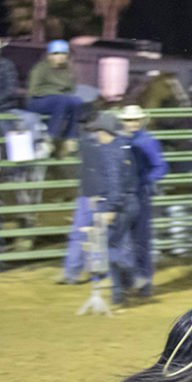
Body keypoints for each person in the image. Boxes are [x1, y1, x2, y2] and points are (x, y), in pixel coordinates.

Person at [61, 113, 139, 304]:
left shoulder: (108, 150)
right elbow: (126, 178)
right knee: (121, 244)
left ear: (104, 131)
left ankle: (119, 292)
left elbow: (114, 181)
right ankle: (128, 283)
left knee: (110, 247)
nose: (96, 135)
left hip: (117, 204)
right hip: (130, 201)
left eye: (98, 131)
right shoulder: (124, 146)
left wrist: (109, 206)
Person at [118, 105, 168, 297]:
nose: (133, 123)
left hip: (140, 195)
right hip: (124, 196)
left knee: (140, 240)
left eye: (136, 120)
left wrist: (142, 181)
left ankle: (143, 282)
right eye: (129, 120)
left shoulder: (147, 141)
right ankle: (129, 281)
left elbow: (160, 167)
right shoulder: (121, 140)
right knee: (124, 240)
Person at [27, 40, 84, 155]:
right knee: (62, 101)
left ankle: (70, 137)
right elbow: (34, 90)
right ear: (50, 55)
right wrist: (56, 92)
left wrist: (61, 93)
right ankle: (50, 137)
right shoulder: (41, 68)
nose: (61, 57)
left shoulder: (67, 70)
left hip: (58, 100)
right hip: (38, 101)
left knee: (77, 101)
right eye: (57, 53)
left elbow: (71, 89)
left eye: (63, 53)